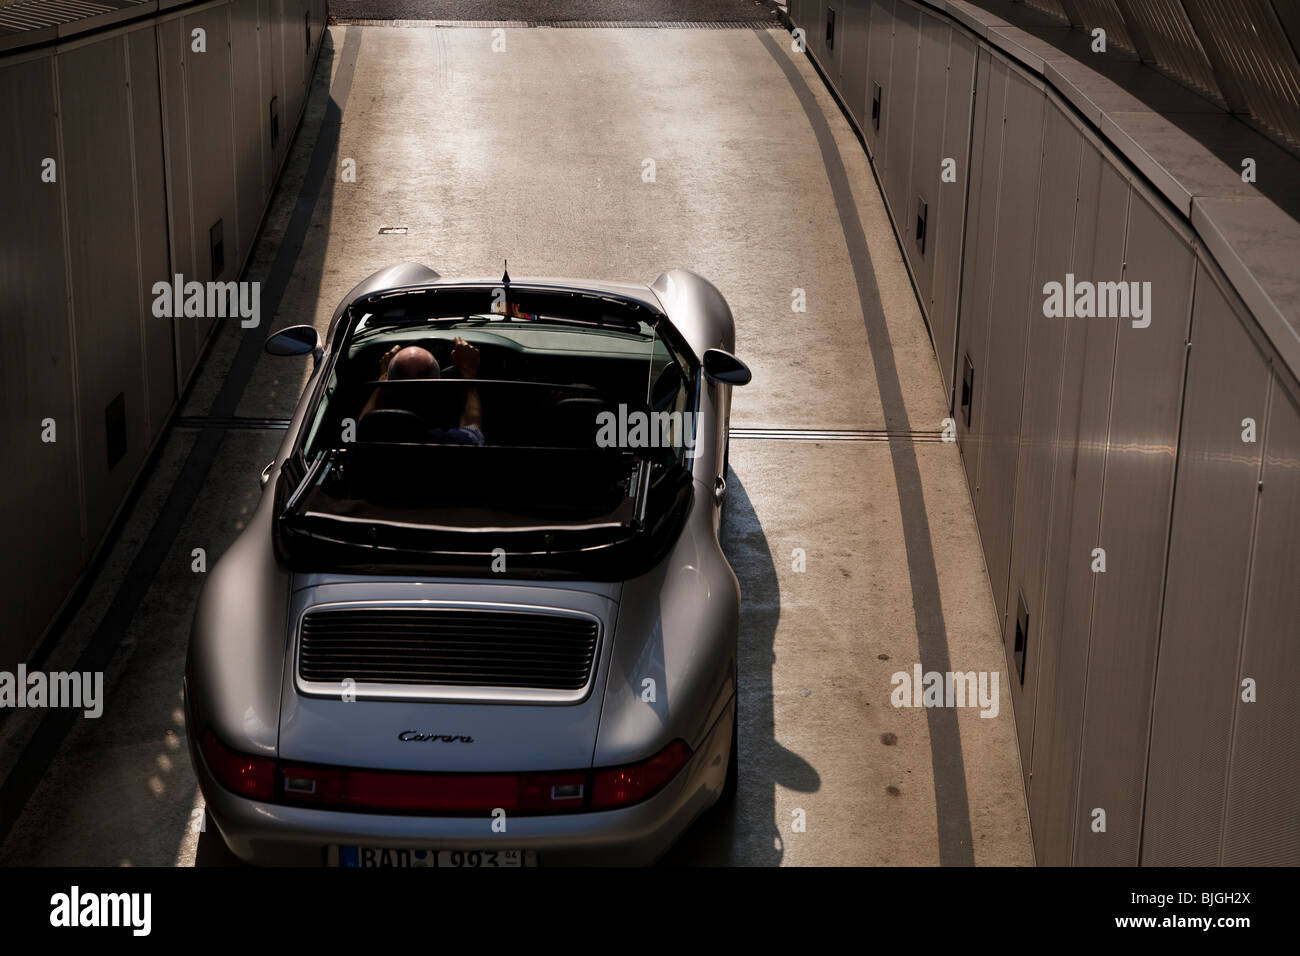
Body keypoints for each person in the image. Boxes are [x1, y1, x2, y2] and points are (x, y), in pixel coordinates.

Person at [359, 336, 484, 444]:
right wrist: (468, 374)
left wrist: (381, 382)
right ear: (438, 389)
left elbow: (360, 426)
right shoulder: (451, 441)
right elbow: (474, 434)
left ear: (389, 388)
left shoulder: (363, 438)